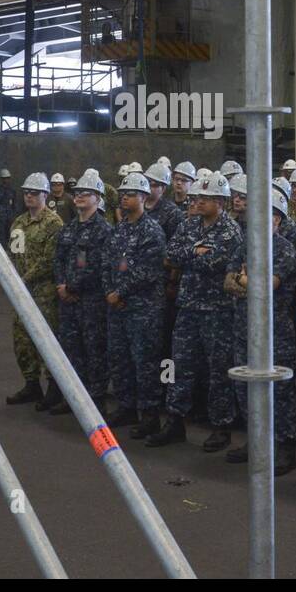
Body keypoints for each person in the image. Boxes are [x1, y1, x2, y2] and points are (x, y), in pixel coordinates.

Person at [149, 171, 242, 450]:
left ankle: (221, 426)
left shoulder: (230, 231)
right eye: (198, 197)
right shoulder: (189, 224)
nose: (199, 202)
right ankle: (175, 420)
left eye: (206, 198)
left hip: (217, 311)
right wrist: (195, 251)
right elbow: (170, 255)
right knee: (179, 365)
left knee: (217, 370)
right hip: (188, 306)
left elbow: (213, 262)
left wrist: (191, 255)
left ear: (221, 202)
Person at [225, 186, 296, 476]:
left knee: (278, 392)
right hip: (243, 326)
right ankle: (256, 442)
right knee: (244, 387)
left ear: (278, 220)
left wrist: (246, 280)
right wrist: (248, 281)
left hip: (274, 331)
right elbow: (228, 282)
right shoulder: (244, 245)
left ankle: (284, 447)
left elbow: (267, 287)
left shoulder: (284, 250)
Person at [103, 172, 167, 433]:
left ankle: (149, 415)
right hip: (118, 308)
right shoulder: (120, 229)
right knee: (120, 359)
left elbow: (149, 271)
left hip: (143, 309)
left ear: (143, 197)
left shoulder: (151, 230)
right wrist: (110, 291)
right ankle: (126, 407)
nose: (124, 198)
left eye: (129, 194)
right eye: (122, 194)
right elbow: (107, 263)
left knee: (145, 362)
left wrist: (121, 293)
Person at [51, 169, 112, 412]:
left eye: (86, 193)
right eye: (77, 193)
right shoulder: (69, 228)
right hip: (68, 301)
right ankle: (73, 398)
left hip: (91, 301)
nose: (79, 197)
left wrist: (73, 287)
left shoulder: (104, 230)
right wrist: (61, 286)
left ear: (98, 198)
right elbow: (58, 260)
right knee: (71, 349)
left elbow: (100, 267)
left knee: (94, 350)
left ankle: (96, 401)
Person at [5, 173, 64, 408]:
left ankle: (54, 387)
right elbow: (12, 254)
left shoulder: (54, 224)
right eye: (26, 192)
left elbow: (49, 260)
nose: (28, 196)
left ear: (45, 195)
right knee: (22, 340)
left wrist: (22, 280)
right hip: (21, 292)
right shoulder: (19, 223)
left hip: (44, 293)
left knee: (46, 340)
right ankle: (31, 384)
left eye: (34, 192)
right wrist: (12, 278)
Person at [0, 168, 17, 246]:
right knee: (0, 236)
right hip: (0, 217)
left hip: (9, 217)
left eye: (8, 178)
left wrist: (13, 215)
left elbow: (14, 204)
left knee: (10, 235)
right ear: (1, 179)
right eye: (4, 178)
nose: (6, 180)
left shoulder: (12, 190)